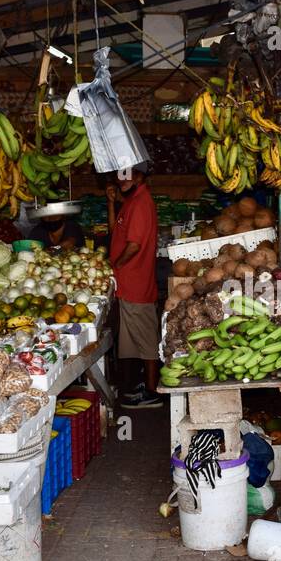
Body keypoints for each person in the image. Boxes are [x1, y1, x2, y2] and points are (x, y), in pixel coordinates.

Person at [108, 166, 162, 408]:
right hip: (128, 283)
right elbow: (115, 232)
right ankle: (146, 383)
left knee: (147, 338)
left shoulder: (141, 203)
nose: (122, 180)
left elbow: (134, 246)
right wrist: (113, 202)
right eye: (120, 175)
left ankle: (152, 391)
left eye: (128, 174)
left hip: (136, 282)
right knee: (137, 339)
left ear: (140, 175)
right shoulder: (131, 202)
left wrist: (117, 265)